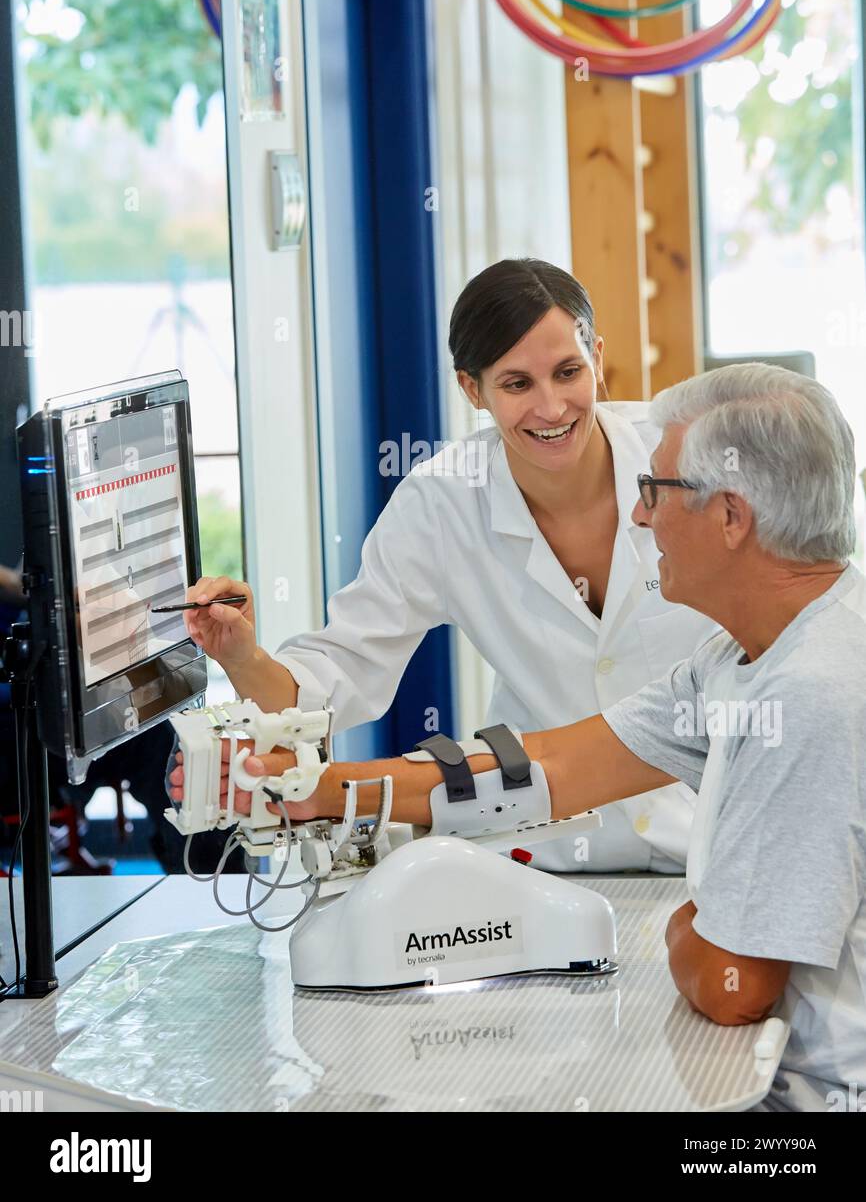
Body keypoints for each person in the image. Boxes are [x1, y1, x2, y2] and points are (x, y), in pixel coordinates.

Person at [172, 362, 866, 1112]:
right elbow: (551, 765)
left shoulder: (811, 694)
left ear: (731, 517)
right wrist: (315, 791)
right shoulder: (747, 654)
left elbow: (734, 988)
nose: (640, 517)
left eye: (657, 491)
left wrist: (687, 923)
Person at [182, 258, 715, 872]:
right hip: (548, 855)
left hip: (712, 845)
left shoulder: (687, 457)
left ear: (597, 357)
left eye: (568, 372)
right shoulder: (442, 502)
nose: (551, 407)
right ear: (472, 390)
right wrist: (243, 657)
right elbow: (342, 672)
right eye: (517, 384)